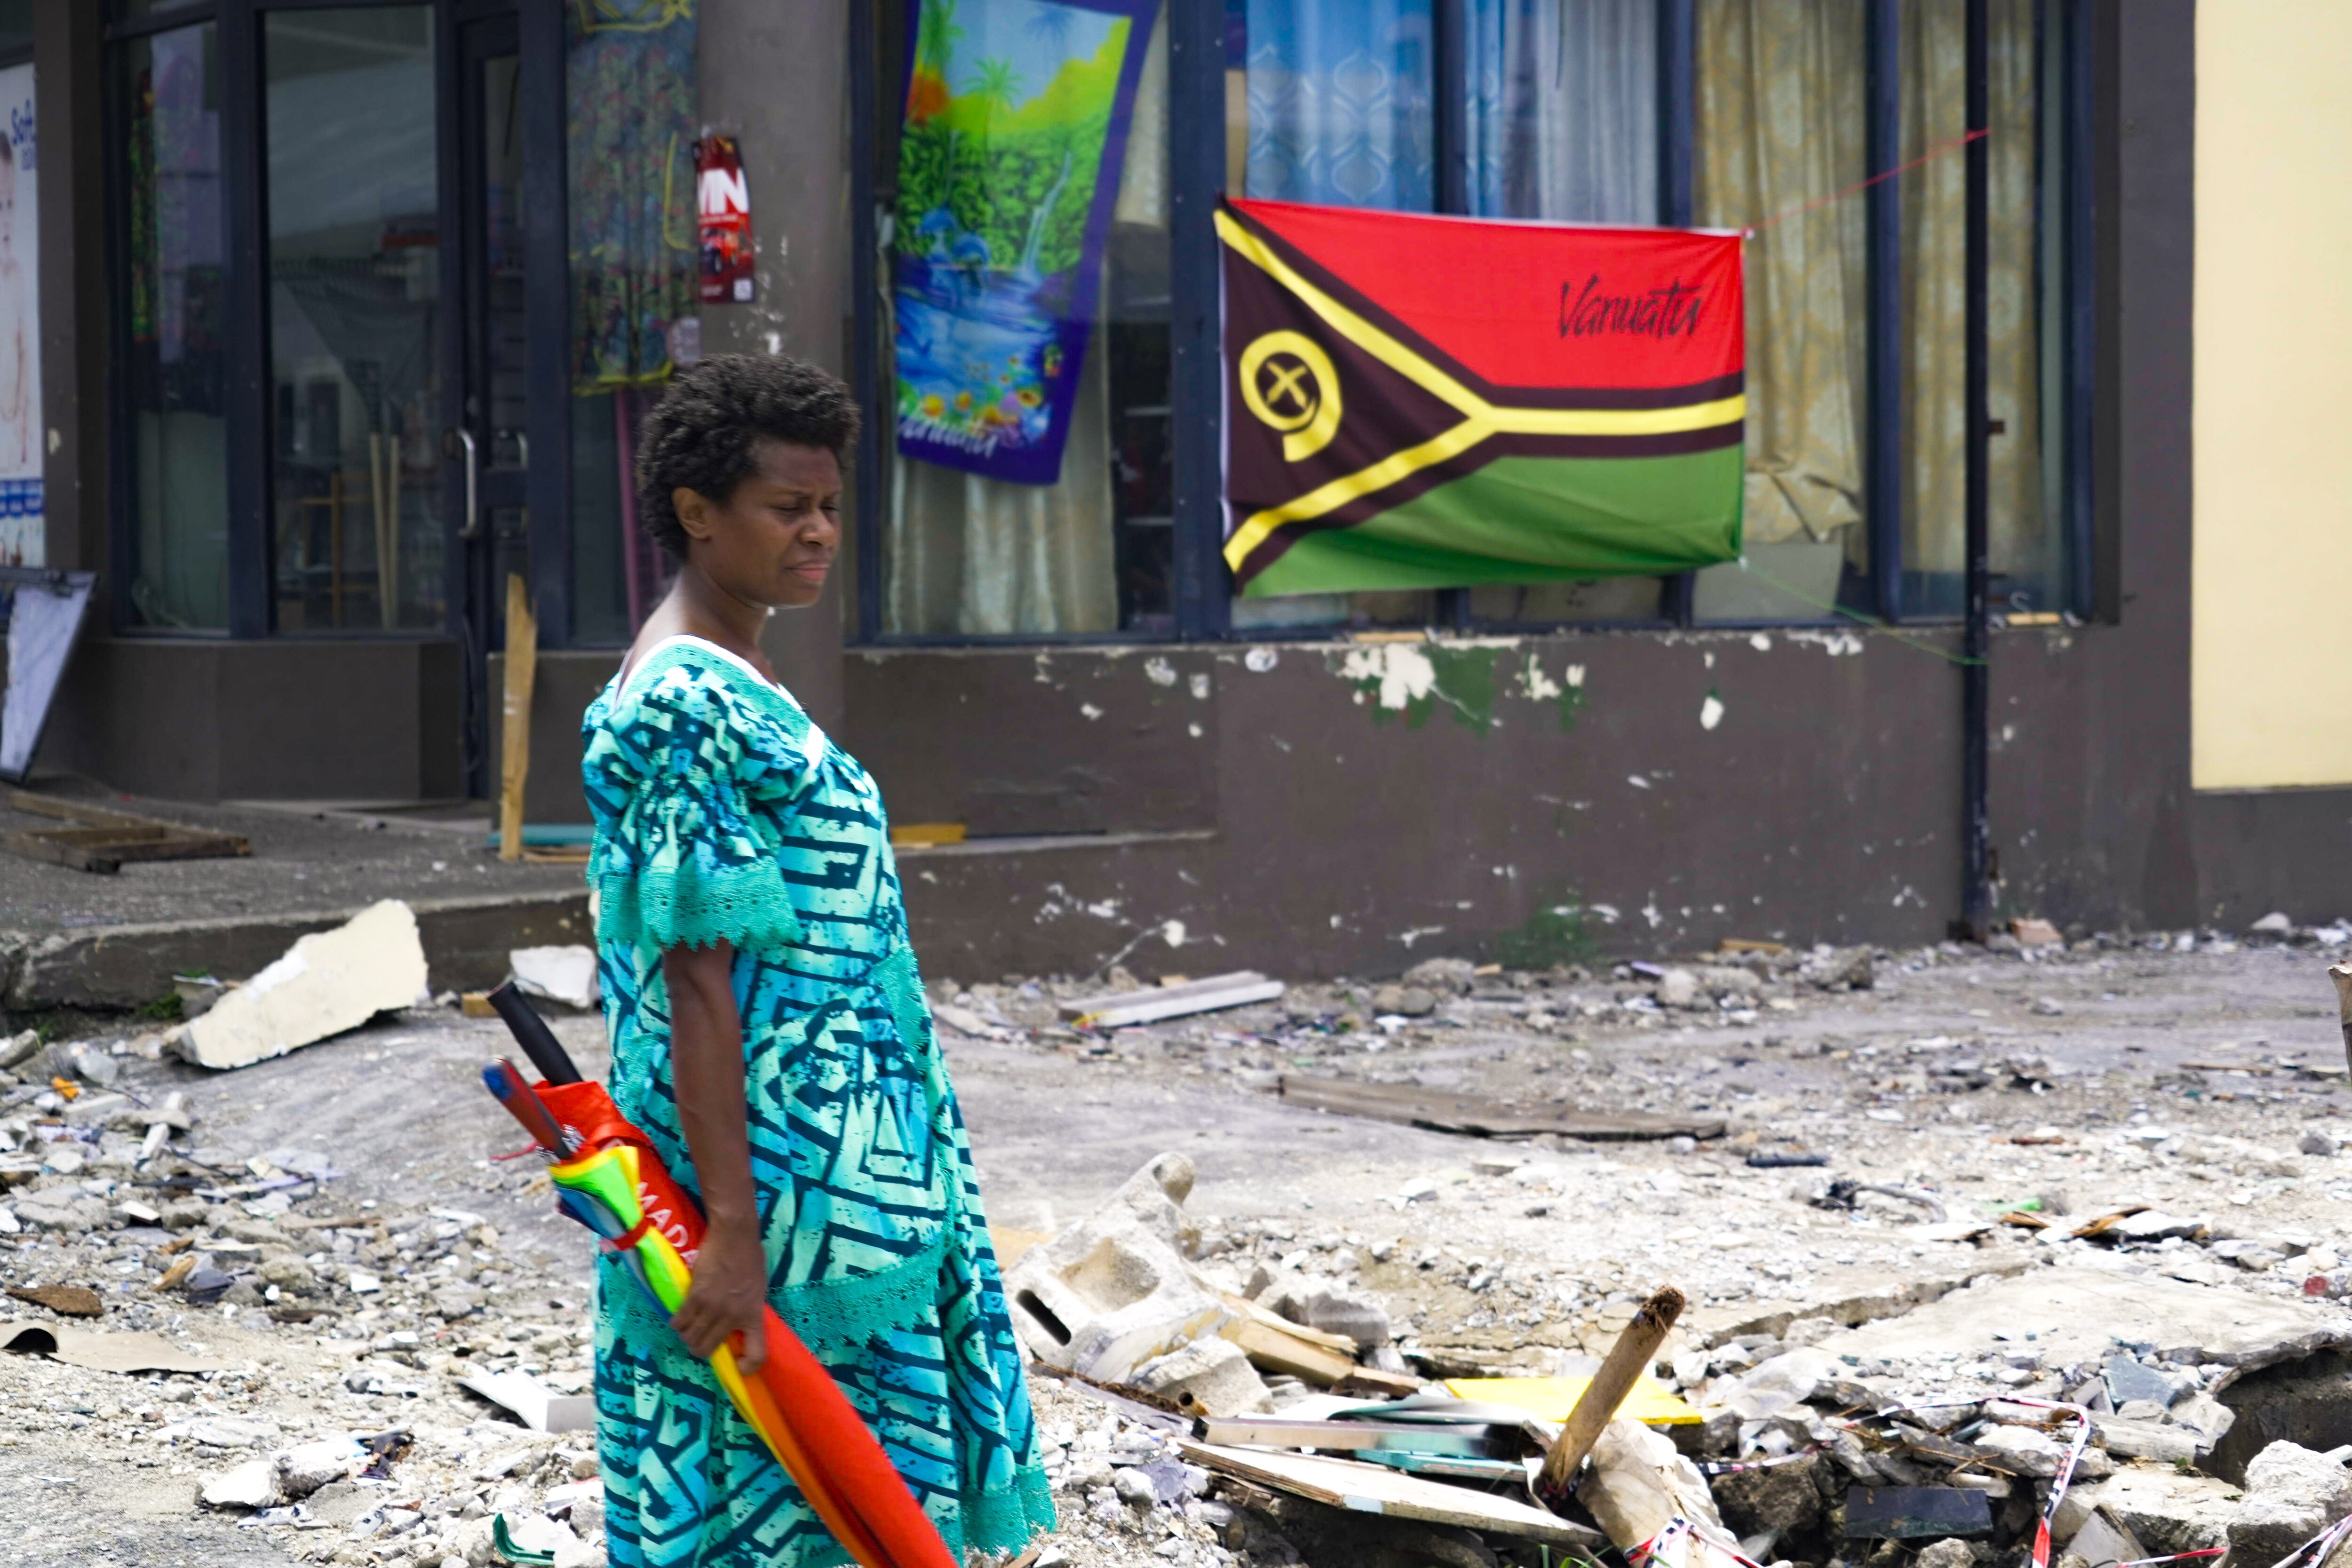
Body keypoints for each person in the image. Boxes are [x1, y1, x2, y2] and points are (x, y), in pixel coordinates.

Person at [581, 354, 1054, 1567]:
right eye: (788, 506)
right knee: (791, 1481)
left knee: (841, 1489)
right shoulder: (683, 704)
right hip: (785, 1187)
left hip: (844, 1161)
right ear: (698, 513)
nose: (820, 531)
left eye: (830, 505)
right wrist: (731, 1232)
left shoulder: (740, 672)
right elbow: (695, 980)